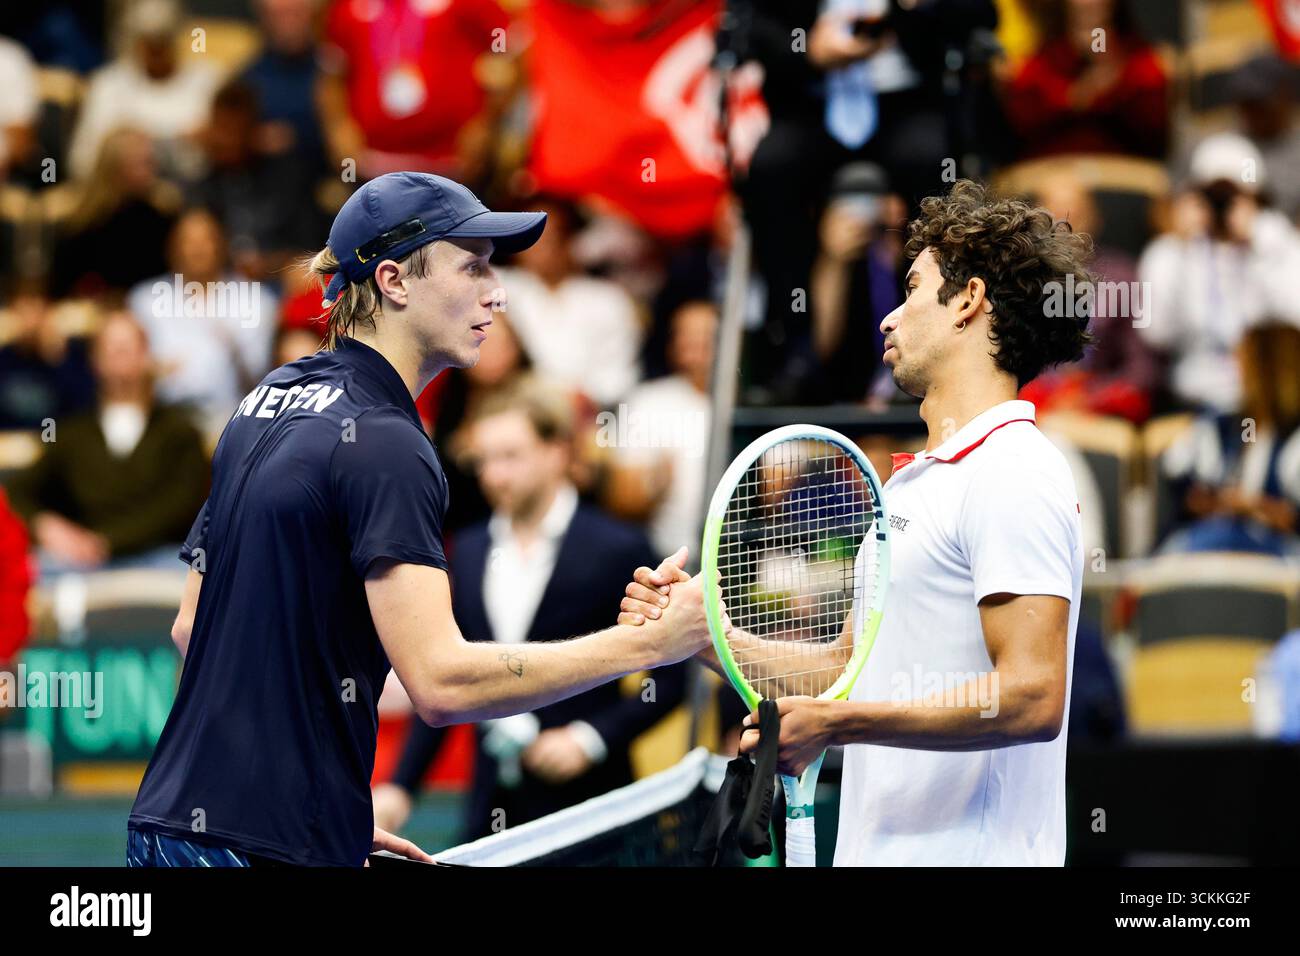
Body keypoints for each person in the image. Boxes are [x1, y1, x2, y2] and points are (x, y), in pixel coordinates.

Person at [126, 172, 711, 867]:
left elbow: (191, 626)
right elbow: (441, 682)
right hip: (261, 849)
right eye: (473, 267)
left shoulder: (265, 400)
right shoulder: (387, 441)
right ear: (396, 281)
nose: (497, 291)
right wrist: (652, 644)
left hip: (173, 826)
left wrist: (317, 801)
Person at [624, 180, 1092, 866]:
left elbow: (1032, 696)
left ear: (968, 301)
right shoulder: (909, 486)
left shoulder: (1015, 470)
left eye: (912, 290)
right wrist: (703, 635)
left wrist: (840, 724)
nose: (888, 318)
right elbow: (844, 671)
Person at [373, 379, 686, 838]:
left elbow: (671, 674)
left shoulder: (617, 546)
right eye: (485, 460)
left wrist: (591, 738)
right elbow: (445, 674)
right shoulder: (470, 548)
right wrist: (401, 786)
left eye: (511, 456)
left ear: (558, 451)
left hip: (592, 812)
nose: (494, 475)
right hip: (489, 813)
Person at [5, 309, 209, 575]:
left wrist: (106, 541)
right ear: (94, 360)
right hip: (83, 562)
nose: (119, 355)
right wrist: (46, 525)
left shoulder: (180, 431)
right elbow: (17, 492)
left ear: (147, 356)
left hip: (160, 558)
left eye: (127, 347)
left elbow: (183, 504)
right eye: (110, 347)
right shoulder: (71, 433)